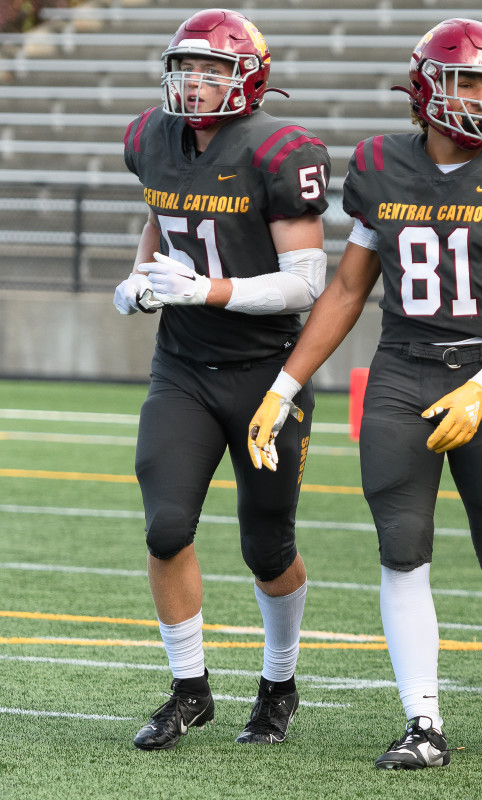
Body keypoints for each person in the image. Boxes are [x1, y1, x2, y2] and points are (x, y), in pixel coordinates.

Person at [246, 18, 482, 769]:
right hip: (402, 369)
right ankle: (423, 721)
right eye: (469, 82)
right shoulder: (379, 164)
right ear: (426, 88)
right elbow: (348, 289)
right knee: (401, 548)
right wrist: (286, 383)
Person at [113, 8, 330, 751]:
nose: (194, 83)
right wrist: (139, 278)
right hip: (183, 367)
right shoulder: (151, 137)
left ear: (250, 78)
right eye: (186, 68)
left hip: (266, 370)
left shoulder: (278, 149)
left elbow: (305, 284)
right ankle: (189, 688)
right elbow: (163, 222)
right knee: (166, 526)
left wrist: (206, 289)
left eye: (213, 70)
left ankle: (279, 683)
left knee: (268, 549)